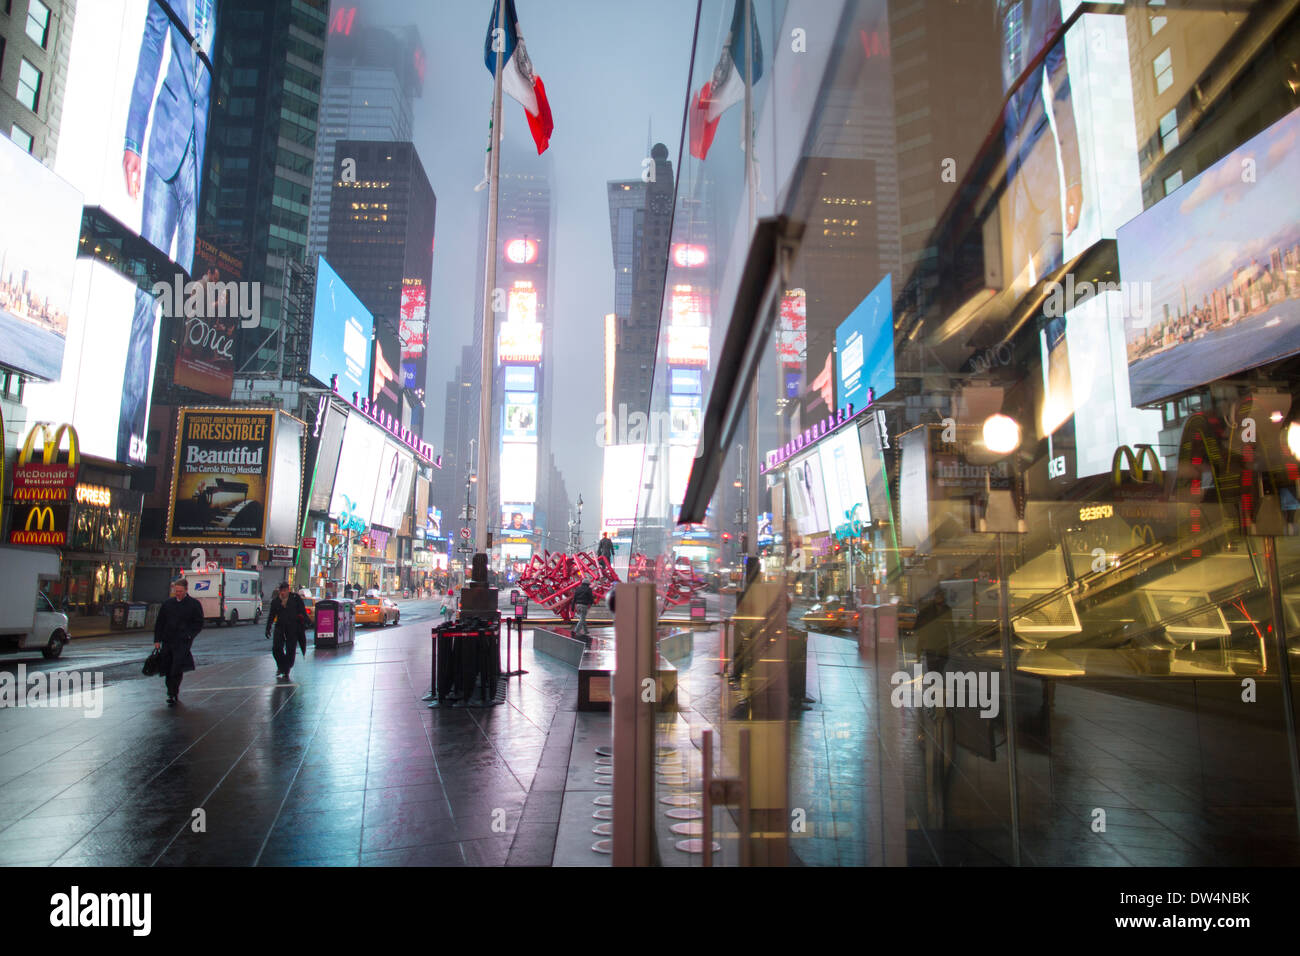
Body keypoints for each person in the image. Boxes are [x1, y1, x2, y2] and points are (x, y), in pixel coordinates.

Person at [118, 0, 217, 462]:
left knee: (180, 308)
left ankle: (161, 444)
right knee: (146, 299)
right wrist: (133, 139)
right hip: (162, 151)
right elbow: (149, 46)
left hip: (197, 166)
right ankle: (128, 441)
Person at [154, 576, 204, 706]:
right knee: (168, 667)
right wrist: (157, 639)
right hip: (168, 641)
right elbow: (160, 622)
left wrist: (189, 635)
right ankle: (170, 691)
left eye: (180, 591)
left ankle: (173, 692)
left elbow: (198, 623)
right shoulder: (168, 604)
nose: (178, 593)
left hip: (182, 642)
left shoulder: (194, 604)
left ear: (186, 590)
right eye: (176, 591)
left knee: (177, 667)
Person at [265, 582, 309, 681]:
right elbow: (271, 616)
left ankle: (286, 668)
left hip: (292, 627)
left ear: (288, 590)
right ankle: (281, 666)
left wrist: (306, 621)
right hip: (280, 628)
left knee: (290, 649)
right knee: (276, 648)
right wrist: (268, 628)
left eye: (285, 590)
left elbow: (302, 610)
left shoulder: (295, 598)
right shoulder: (276, 601)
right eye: (281, 591)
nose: (283, 593)